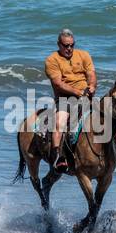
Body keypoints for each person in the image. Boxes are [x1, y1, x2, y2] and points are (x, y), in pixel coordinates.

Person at [44, 28, 95, 172]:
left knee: (108, 119)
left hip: (86, 96)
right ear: (58, 44)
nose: (69, 48)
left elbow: (91, 74)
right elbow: (58, 84)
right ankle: (59, 157)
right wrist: (78, 92)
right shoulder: (52, 60)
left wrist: (91, 86)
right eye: (66, 45)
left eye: (72, 45)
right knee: (59, 123)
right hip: (64, 99)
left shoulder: (84, 55)